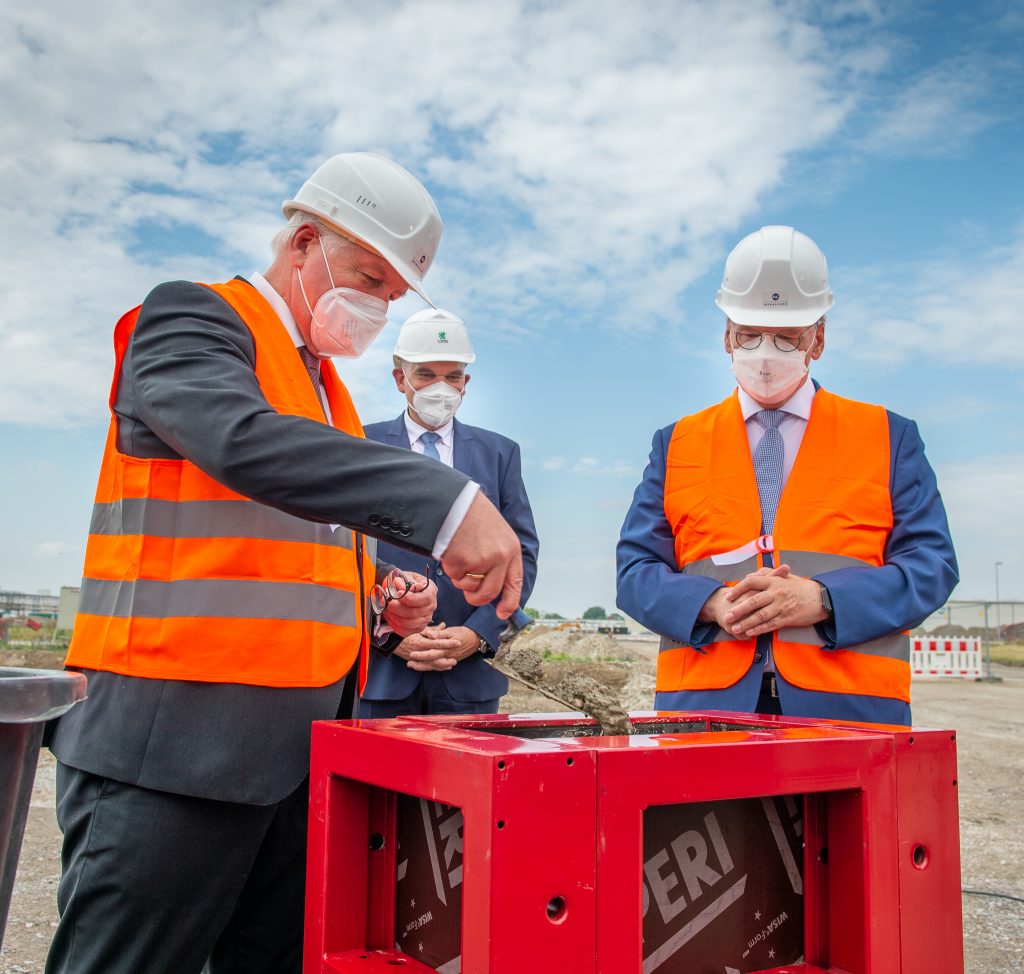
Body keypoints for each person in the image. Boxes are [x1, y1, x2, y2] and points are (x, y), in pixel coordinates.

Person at [44, 152, 523, 974]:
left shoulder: (326, 390)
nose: (376, 305)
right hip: (173, 752)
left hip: (297, 762)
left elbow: (293, 546)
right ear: (303, 243)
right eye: (368, 276)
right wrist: (447, 502)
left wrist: (381, 599)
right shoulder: (191, 320)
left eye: (390, 294)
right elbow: (242, 442)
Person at [616, 225, 957, 725]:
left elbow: (931, 567)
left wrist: (821, 600)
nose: (764, 352)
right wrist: (710, 604)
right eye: (749, 334)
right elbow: (635, 572)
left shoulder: (888, 435)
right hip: (705, 708)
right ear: (726, 335)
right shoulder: (677, 443)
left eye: (785, 336)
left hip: (850, 707)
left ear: (818, 338)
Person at [360, 309, 539, 716]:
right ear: (400, 378)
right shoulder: (361, 444)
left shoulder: (500, 454)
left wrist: (477, 633)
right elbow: (345, 550)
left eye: (453, 376)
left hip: (470, 677)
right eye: (425, 374)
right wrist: (387, 633)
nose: (441, 387)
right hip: (383, 673)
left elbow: (520, 556)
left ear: (466, 383)